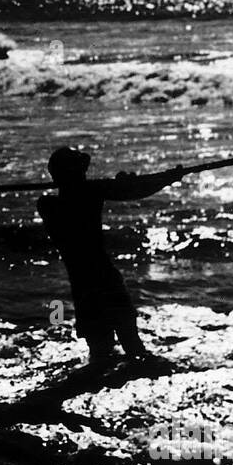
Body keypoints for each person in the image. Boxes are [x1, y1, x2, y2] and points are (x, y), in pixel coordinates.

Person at [37, 146, 184, 366]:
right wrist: (168, 178)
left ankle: (97, 381)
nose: (85, 173)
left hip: (82, 283)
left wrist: (159, 179)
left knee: (101, 353)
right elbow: (133, 192)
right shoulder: (87, 193)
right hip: (103, 277)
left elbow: (131, 191)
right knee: (131, 347)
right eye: (80, 169)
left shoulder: (50, 204)